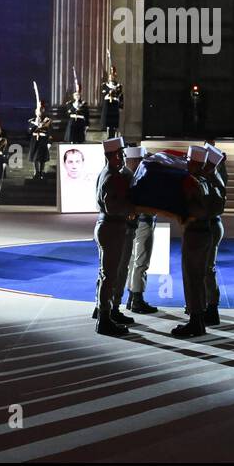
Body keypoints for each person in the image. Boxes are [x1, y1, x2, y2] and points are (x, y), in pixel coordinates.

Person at [93, 137, 135, 336]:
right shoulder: (112, 177)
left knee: (106, 272)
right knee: (110, 274)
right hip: (112, 227)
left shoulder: (108, 173)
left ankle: (103, 311)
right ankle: (104, 318)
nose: (124, 157)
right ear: (112, 156)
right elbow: (112, 207)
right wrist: (131, 208)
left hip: (107, 226)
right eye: (121, 154)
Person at [172, 146, 214, 338]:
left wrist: (184, 209)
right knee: (198, 276)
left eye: (190, 161)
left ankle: (195, 321)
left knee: (192, 277)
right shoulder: (205, 181)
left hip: (195, 233)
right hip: (203, 233)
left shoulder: (193, 183)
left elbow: (199, 210)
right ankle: (198, 318)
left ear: (196, 164)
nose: (187, 164)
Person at [106, 145, 148, 324]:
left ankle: (108, 308)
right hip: (120, 225)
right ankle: (110, 309)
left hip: (121, 225)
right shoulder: (120, 177)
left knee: (118, 268)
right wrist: (131, 210)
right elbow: (112, 205)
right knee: (119, 268)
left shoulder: (121, 175)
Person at [201, 145, 227, 326]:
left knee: (207, 269)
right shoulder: (212, 177)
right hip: (211, 225)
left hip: (211, 225)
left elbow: (215, 205)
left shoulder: (212, 180)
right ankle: (205, 305)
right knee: (205, 269)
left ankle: (211, 307)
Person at [27, 101, 52, 179]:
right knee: (35, 156)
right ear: (35, 112)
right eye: (37, 110)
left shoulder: (47, 120)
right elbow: (29, 131)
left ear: (43, 110)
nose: (39, 112)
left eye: (40, 110)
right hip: (35, 140)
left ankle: (41, 171)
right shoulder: (32, 121)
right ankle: (36, 172)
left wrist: (49, 142)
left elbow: (50, 132)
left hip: (43, 140)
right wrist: (36, 124)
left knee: (42, 157)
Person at [100, 65, 124, 138]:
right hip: (107, 104)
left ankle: (113, 136)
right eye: (110, 77)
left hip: (114, 104)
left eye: (113, 76)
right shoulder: (105, 85)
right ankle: (107, 136)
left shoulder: (119, 86)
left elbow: (121, 96)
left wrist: (121, 106)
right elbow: (103, 93)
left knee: (113, 122)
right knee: (107, 122)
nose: (111, 78)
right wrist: (109, 91)